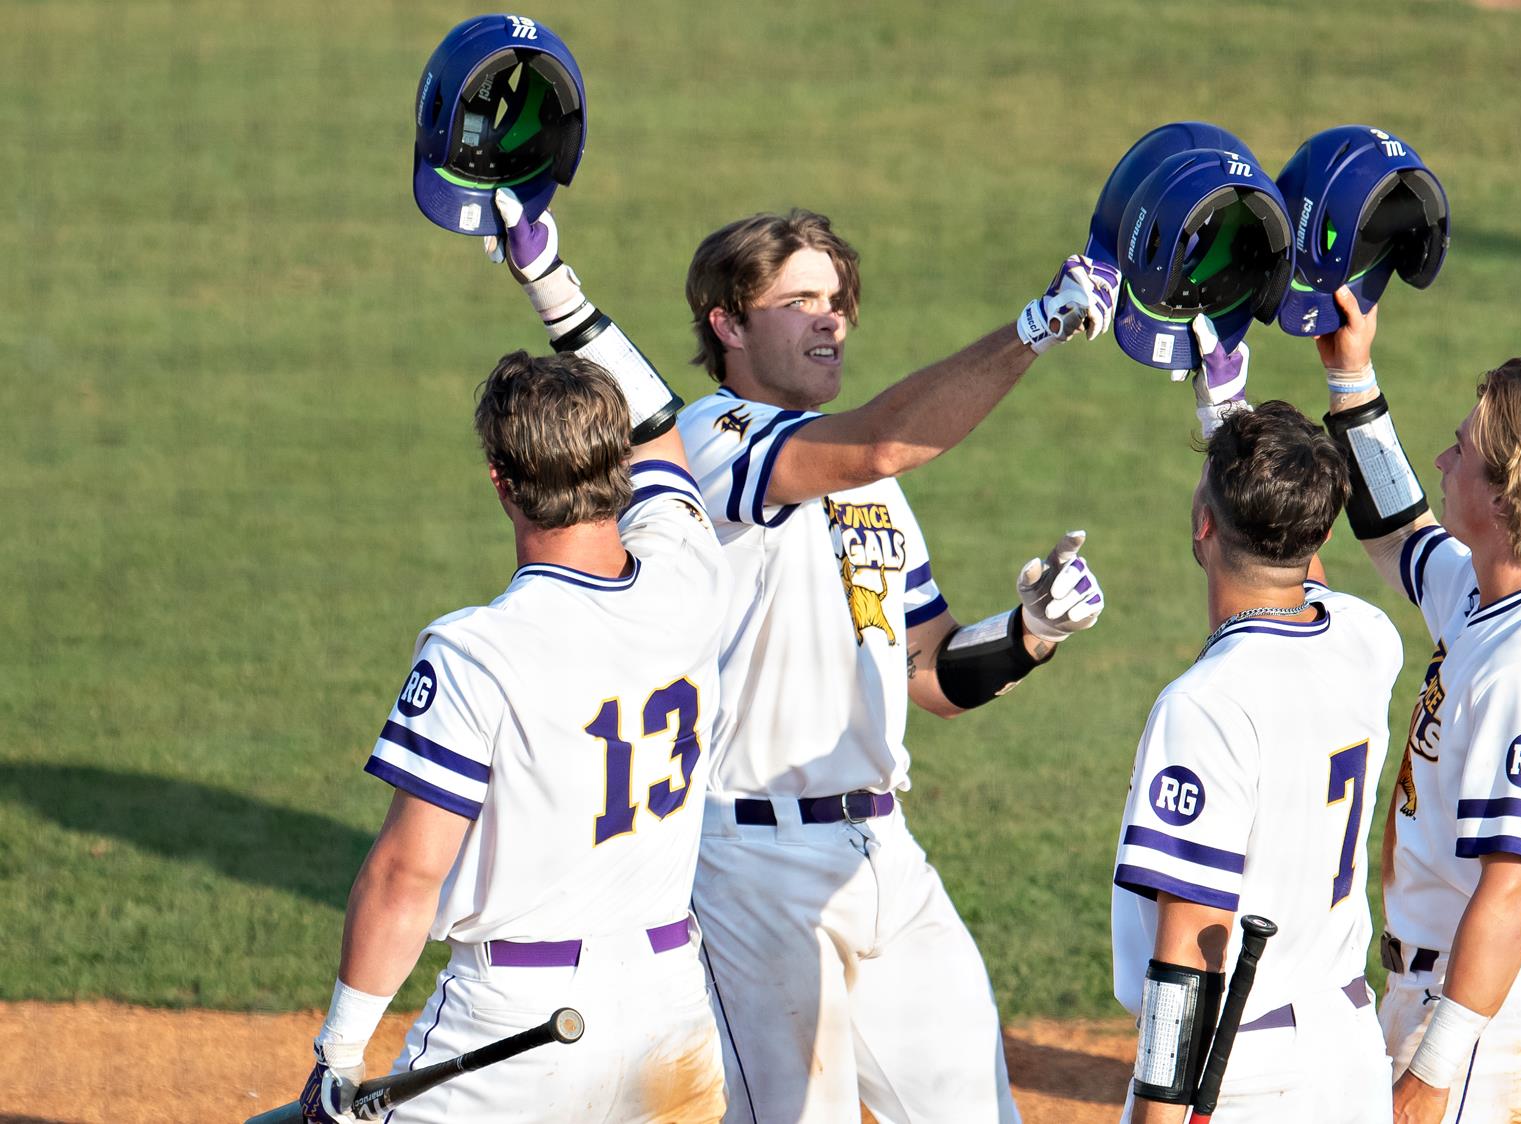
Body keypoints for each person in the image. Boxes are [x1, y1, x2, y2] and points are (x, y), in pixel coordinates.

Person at [501, 199, 1118, 1121]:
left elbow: (931, 673)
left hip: (884, 856)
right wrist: (1035, 328)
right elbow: (877, 438)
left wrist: (1031, 632)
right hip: (750, 866)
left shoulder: (875, 493)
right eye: (798, 300)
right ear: (729, 324)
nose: (830, 316)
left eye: (836, 298)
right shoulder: (712, 442)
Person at [290, 339, 731, 1122]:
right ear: (618, 471)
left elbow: (406, 876)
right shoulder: (692, 575)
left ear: (502, 482)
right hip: (673, 1014)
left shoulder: (477, 651)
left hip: (519, 1029)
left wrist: (340, 1054)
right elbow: (663, 432)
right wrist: (553, 283)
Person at [1311, 286, 1521, 1123]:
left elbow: (1515, 885)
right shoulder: (1505, 593)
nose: (1444, 465)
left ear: (1504, 496)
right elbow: (1398, 535)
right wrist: (1351, 379)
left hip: (1487, 1013)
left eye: (1461, 453)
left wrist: (1436, 1066)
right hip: (1459, 992)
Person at [1110, 361, 1401, 1123]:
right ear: (1320, 531)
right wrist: (1229, 420)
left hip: (1242, 1073)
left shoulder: (1204, 706)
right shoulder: (1368, 640)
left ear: (1203, 525)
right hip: (1350, 1055)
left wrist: (1157, 1117)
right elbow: (1306, 573)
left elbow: (1190, 946)